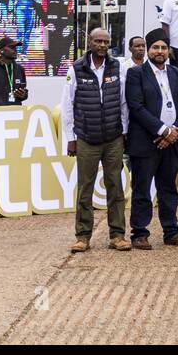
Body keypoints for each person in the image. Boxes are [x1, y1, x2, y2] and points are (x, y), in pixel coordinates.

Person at [61, 27, 129, 252]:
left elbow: (123, 103)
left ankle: (117, 235)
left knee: (115, 187)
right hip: (86, 138)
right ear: (89, 42)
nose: (102, 45)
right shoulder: (76, 68)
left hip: (113, 137)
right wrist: (71, 138)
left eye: (106, 42)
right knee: (85, 188)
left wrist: (124, 132)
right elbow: (68, 106)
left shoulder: (117, 67)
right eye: (98, 41)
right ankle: (83, 236)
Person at [125, 30, 178, 248]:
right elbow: (136, 106)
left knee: (168, 189)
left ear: (169, 51)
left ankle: (171, 231)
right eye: (155, 47)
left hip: (173, 142)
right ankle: (139, 233)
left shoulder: (176, 73)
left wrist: (174, 131)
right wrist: (163, 130)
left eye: (164, 48)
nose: (160, 51)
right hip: (146, 142)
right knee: (142, 189)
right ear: (148, 50)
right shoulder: (136, 74)